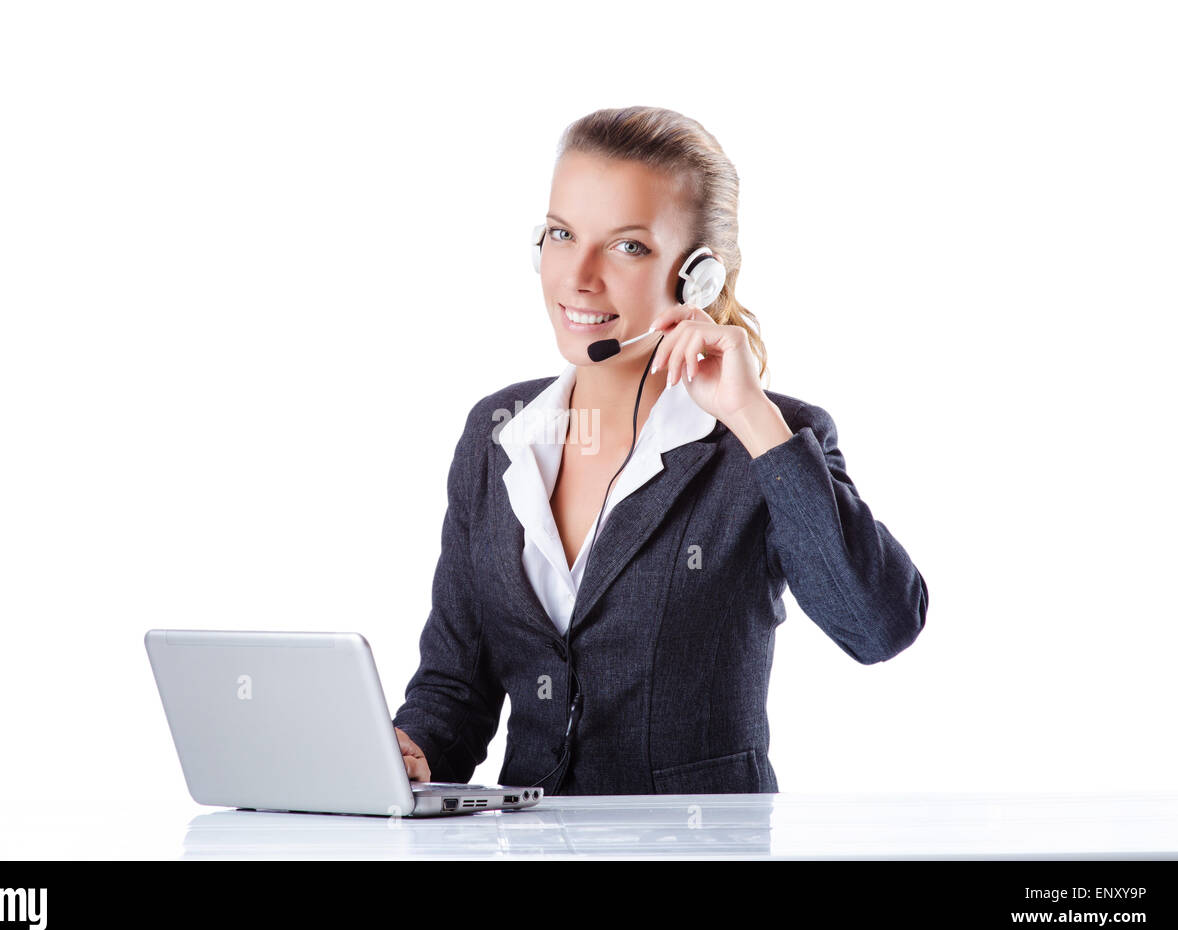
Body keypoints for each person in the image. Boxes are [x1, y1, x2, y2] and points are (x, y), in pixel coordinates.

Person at [392, 105, 928, 796]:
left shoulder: (766, 439)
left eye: (628, 246)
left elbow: (878, 625)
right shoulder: (499, 433)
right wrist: (410, 753)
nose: (578, 275)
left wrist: (749, 416)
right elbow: (454, 690)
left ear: (699, 276)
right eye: (561, 234)